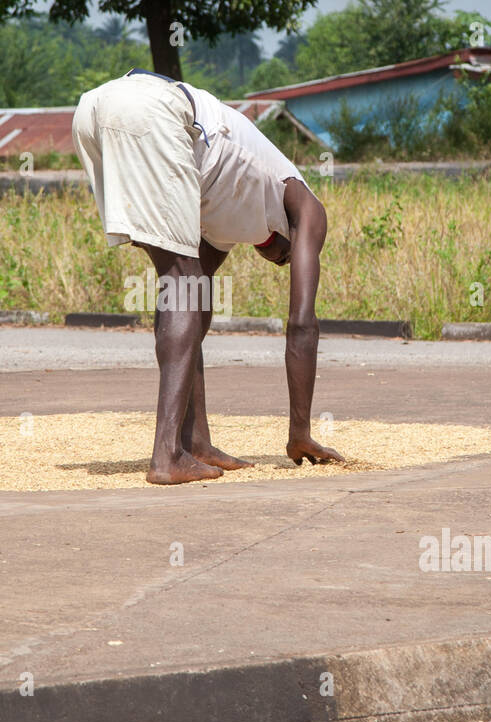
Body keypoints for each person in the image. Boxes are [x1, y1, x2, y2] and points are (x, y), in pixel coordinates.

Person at [72, 67, 343, 484]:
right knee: (183, 285)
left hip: (96, 109)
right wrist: (300, 433)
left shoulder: (226, 219)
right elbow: (302, 323)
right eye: (288, 255)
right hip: (154, 111)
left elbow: (191, 313)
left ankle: (194, 443)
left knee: (185, 289)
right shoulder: (306, 207)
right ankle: (166, 456)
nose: (282, 260)